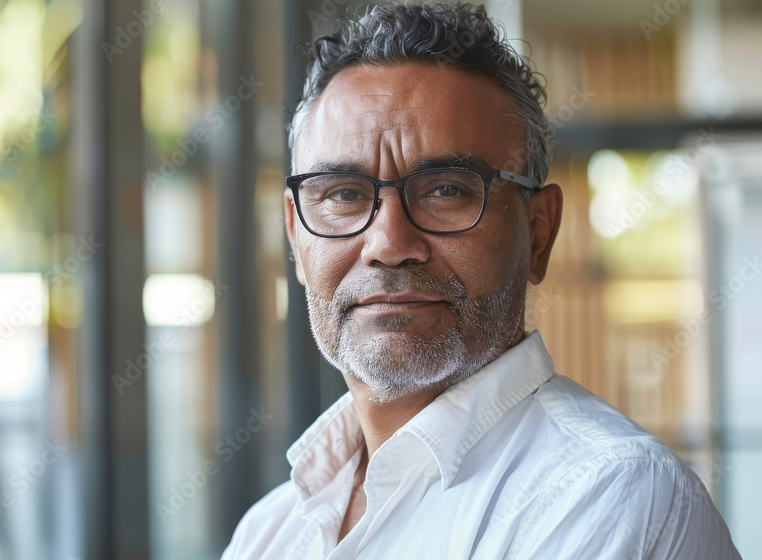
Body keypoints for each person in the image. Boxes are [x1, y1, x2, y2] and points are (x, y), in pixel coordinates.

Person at [221, 3, 741, 559]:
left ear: (538, 233)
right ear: (296, 237)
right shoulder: (270, 529)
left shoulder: (612, 494)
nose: (389, 245)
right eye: (344, 194)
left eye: (446, 189)